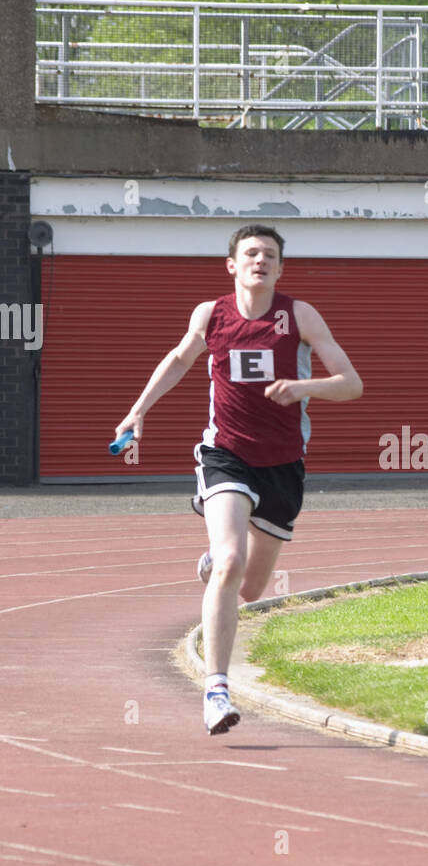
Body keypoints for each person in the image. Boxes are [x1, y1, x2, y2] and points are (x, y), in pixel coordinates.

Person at [114, 224, 363, 735]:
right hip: (224, 454)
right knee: (232, 560)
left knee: (249, 586)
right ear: (232, 265)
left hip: (283, 464)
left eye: (269, 254)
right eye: (250, 253)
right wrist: (137, 412)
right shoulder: (211, 315)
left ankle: (215, 563)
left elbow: (351, 384)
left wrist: (302, 386)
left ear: (280, 267)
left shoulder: (299, 315)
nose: (260, 260)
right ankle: (216, 689)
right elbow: (180, 358)